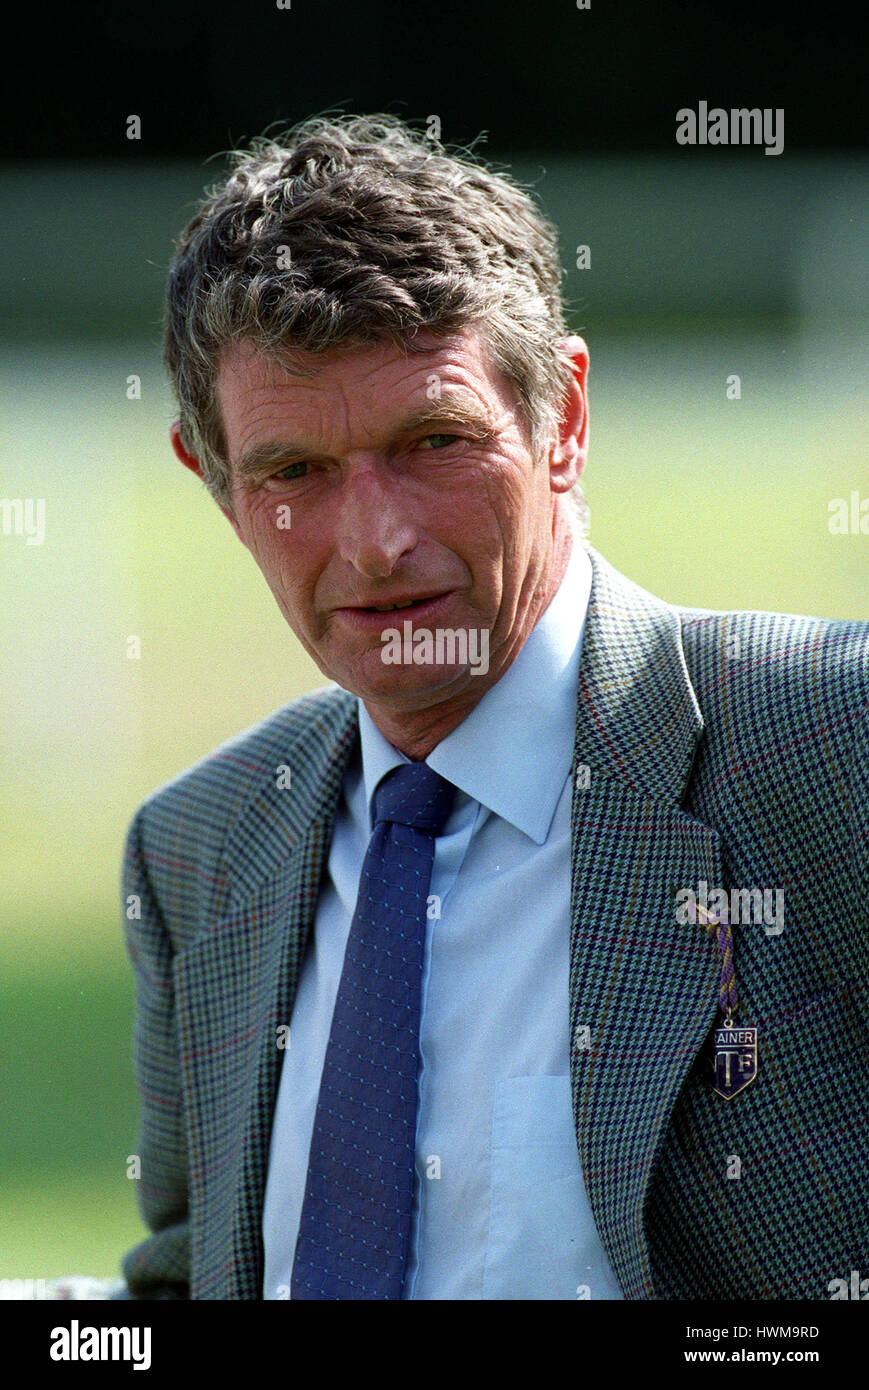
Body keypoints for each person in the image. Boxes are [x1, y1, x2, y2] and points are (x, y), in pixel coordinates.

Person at [117, 113, 868, 1300]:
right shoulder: (197, 850)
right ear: (214, 482)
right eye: (293, 472)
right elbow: (182, 1281)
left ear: (561, 420)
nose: (375, 543)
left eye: (434, 441)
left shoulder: (829, 739)